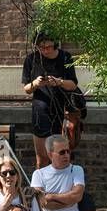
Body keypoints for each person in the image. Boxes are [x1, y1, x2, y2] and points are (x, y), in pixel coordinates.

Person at [22, 33, 80, 167]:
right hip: (40, 111)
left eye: (48, 47)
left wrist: (59, 82)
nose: (45, 51)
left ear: (55, 44)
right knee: (42, 157)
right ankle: (41, 187)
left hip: (61, 111)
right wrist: (35, 83)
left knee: (60, 157)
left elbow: (73, 84)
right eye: (41, 47)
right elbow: (26, 88)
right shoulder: (32, 59)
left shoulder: (65, 57)